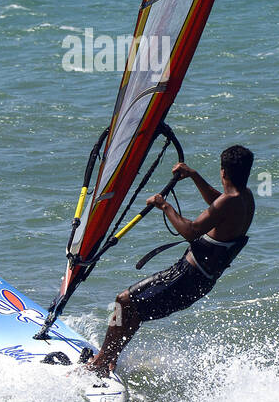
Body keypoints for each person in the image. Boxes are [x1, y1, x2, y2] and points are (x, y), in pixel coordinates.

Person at [86, 144, 255, 375]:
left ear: (223, 172)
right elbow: (217, 203)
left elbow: (191, 231)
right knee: (134, 310)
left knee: (123, 301)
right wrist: (195, 176)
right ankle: (108, 358)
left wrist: (164, 205)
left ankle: (100, 363)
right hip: (199, 282)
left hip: (186, 277)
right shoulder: (244, 198)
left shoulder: (229, 201)